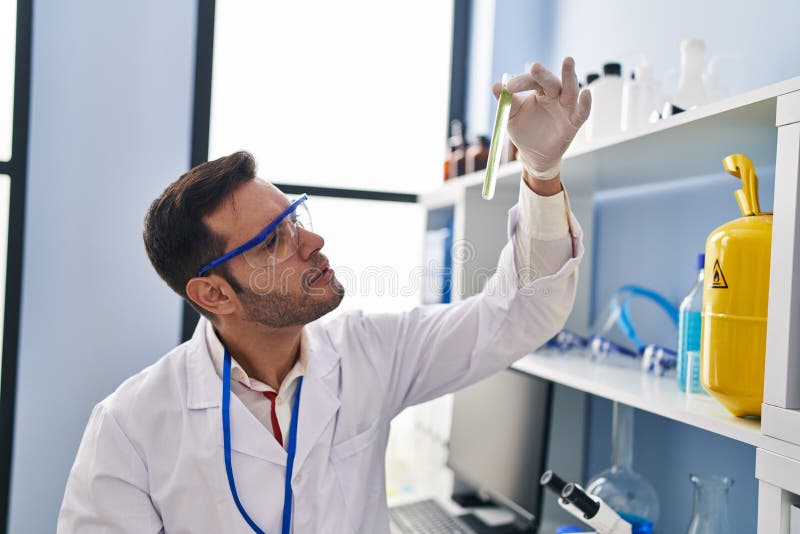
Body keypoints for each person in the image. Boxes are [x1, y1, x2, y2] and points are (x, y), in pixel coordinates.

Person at [57, 58, 591, 533]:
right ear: (214, 293)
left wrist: (541, 172)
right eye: (274, 241)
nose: (312, 241)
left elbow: (521, 312)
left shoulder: (368, 351)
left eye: (296, 217)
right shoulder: (128, 429)